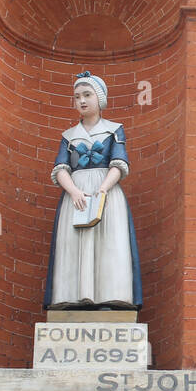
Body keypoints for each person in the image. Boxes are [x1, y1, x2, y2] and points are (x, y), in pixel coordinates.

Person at [43, 71, 143, 310]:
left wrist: (103, 189)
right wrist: (74, 192)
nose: (82, 101)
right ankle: (73, 296)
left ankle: (109, 296)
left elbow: (119, 164)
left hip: (105, 194)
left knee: (109, 243)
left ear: (100, 99)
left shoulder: (114, 130)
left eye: (87, 95)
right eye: (77, 97)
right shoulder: (68, 136)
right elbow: (61, 169)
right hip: (76, 195)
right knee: (74, 244)